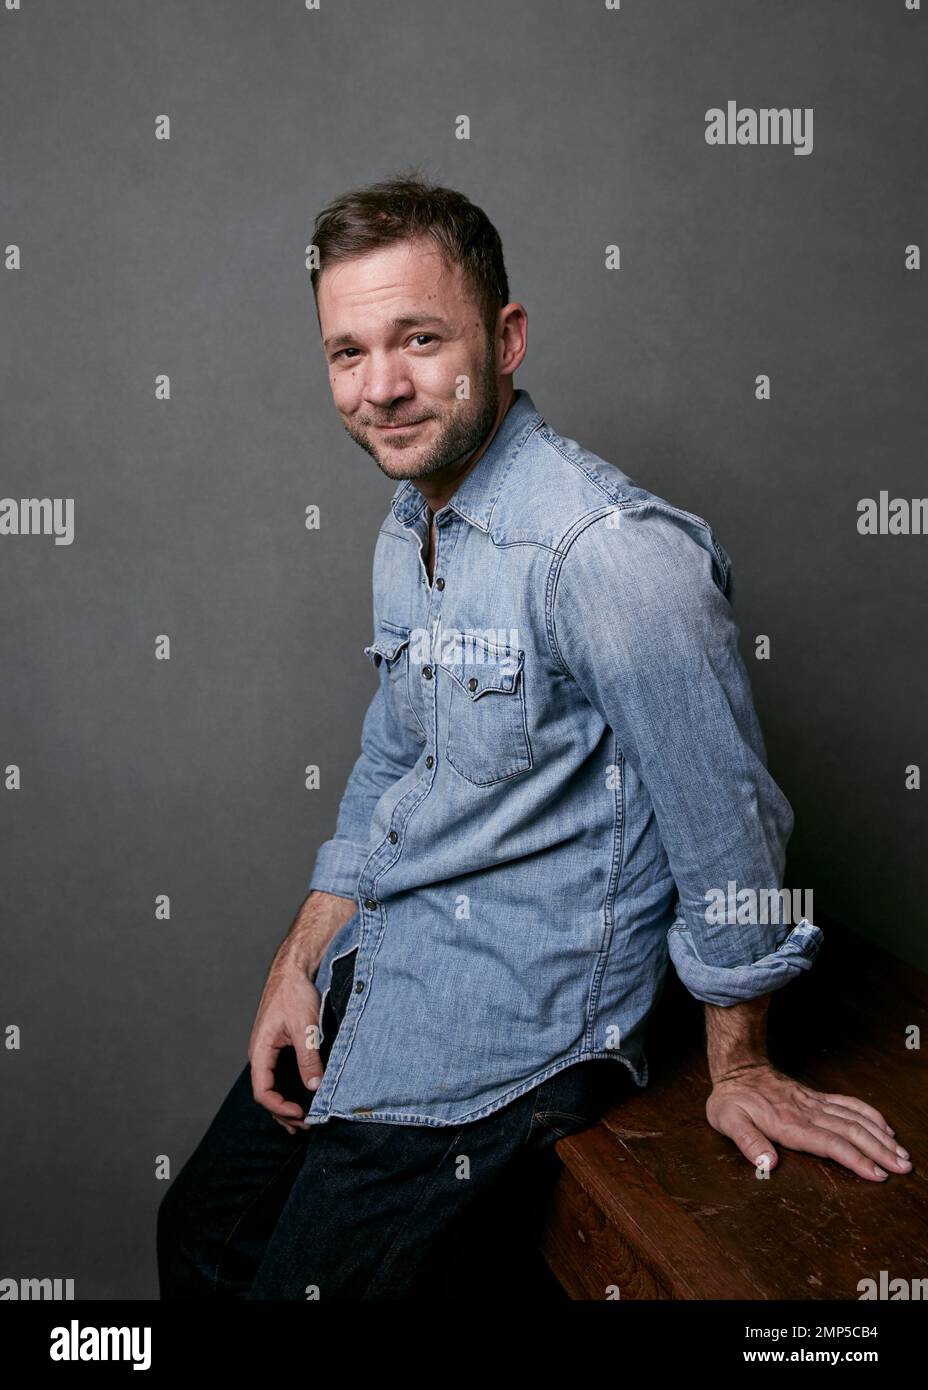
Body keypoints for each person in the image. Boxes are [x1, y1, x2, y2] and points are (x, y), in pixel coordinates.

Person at [157, 173, 910, 1302]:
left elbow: (731, 825)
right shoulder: (414, 517)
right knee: (198, 1239)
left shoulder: (608, 555)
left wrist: (741, 1061)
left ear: (505, 337)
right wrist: (303, 950)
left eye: (418, 338)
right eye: (347, 353)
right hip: (394, 963)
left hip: (521, 1023)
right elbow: (395, 758)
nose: (382, 387)